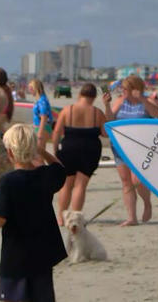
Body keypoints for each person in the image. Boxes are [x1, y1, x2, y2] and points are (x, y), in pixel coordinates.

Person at [0, 124, 67, 302]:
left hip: (17, 256)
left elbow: (1, 217)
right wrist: (42, 151)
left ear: (10, 153)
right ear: (33, 147)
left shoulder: (9, 181)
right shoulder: (44, 175)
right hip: (42, 253)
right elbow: (59, 168)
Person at [103, 75, 158, 226]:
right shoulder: (121, 101)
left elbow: (157, 114)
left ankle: (147, 203)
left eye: (125, 89)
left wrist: (142, 99)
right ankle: (131, 217)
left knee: (137, 180)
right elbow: (109, 120)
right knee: (126, 181)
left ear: (135, 89)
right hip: (120, 146)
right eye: (122, 89)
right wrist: (107, 105)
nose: (123, 91)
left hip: (141, 147)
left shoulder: (147, 101)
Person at [52, 83, 107, 226]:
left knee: (66, 184)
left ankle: (61, 217)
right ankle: (75, 218)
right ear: (94, 97)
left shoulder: (67, 110)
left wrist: (55, 150)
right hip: (90, 149)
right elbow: (105, 134)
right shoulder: (97, 112)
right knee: (80, 185)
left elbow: (57, 132)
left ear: (79, 95)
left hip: (69, 148)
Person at [28, 79, 53, 163]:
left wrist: (40, 133)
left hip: (42, 128)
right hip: (40, 127)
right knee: (39, 154)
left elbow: (44, 117)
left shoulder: (42, 101)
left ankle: (42, 173)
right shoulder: (41, 100)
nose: (29, 90)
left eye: (31, 88)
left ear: (35, 88)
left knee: (38, 154)